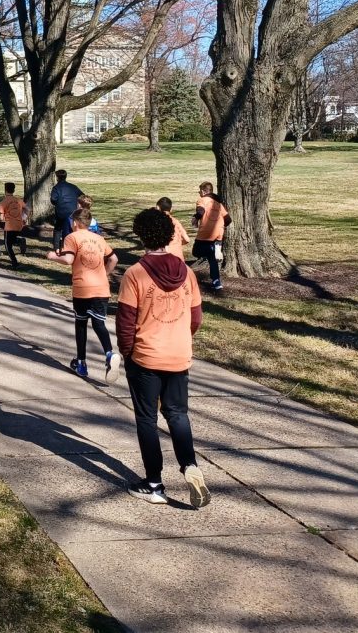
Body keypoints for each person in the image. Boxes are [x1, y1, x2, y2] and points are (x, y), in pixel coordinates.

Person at [117, 207, 209, 508]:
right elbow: (196, 318)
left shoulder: (135, 274)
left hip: (145, 357)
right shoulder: (188, 274)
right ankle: (190, 466)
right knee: (178, 414)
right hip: (179, 355)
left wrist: (127, 353)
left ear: (141, 236)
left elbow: (126, 322)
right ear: (171, 235)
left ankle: (154, 484)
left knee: (147, 418)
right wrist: (182, 339)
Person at [49, 208, 119, 381]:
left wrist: (52, 256)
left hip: (82, 288)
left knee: (81, 323)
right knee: (98, 323)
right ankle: (109, 353)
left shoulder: (72, 237)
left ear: (74, 223)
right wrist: (105, 273)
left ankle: (81, 363)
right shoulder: (99, 239)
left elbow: (68, 260)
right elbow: (114, 259)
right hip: (101, 287)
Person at [192, 181, 231, 292]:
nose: (199, 193)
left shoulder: (202, 200)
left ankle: (211, 250)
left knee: (196, 252)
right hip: (218, 235)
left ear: (204, 191)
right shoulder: (218, 204)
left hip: (205, 234)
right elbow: (228, 219)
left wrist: (196, 217)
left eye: (200, 190)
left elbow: (201, 211)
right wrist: (221, 225)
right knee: (212, 260)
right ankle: (216, 282)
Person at [50, 170, 83, 249]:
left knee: (58, 229)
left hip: (61, 212)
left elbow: (53, 199)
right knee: (71, 229)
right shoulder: (73, 187)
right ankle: (70, 246)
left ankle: (57, 248)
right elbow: (82, 196)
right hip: (73, 212)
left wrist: (58, 204)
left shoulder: (56, 188)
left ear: (57, 177)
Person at [0, 183, 29, 266]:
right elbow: (27, 209)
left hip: (9, 226)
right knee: (12, 240)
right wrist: (24, 218)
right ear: (14, 190)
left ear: (5, 190)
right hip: (18, 224)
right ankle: (19, 241)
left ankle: (14, 263)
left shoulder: (4, 202)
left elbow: (1, 218)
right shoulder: (18, 200)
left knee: (7, 245)